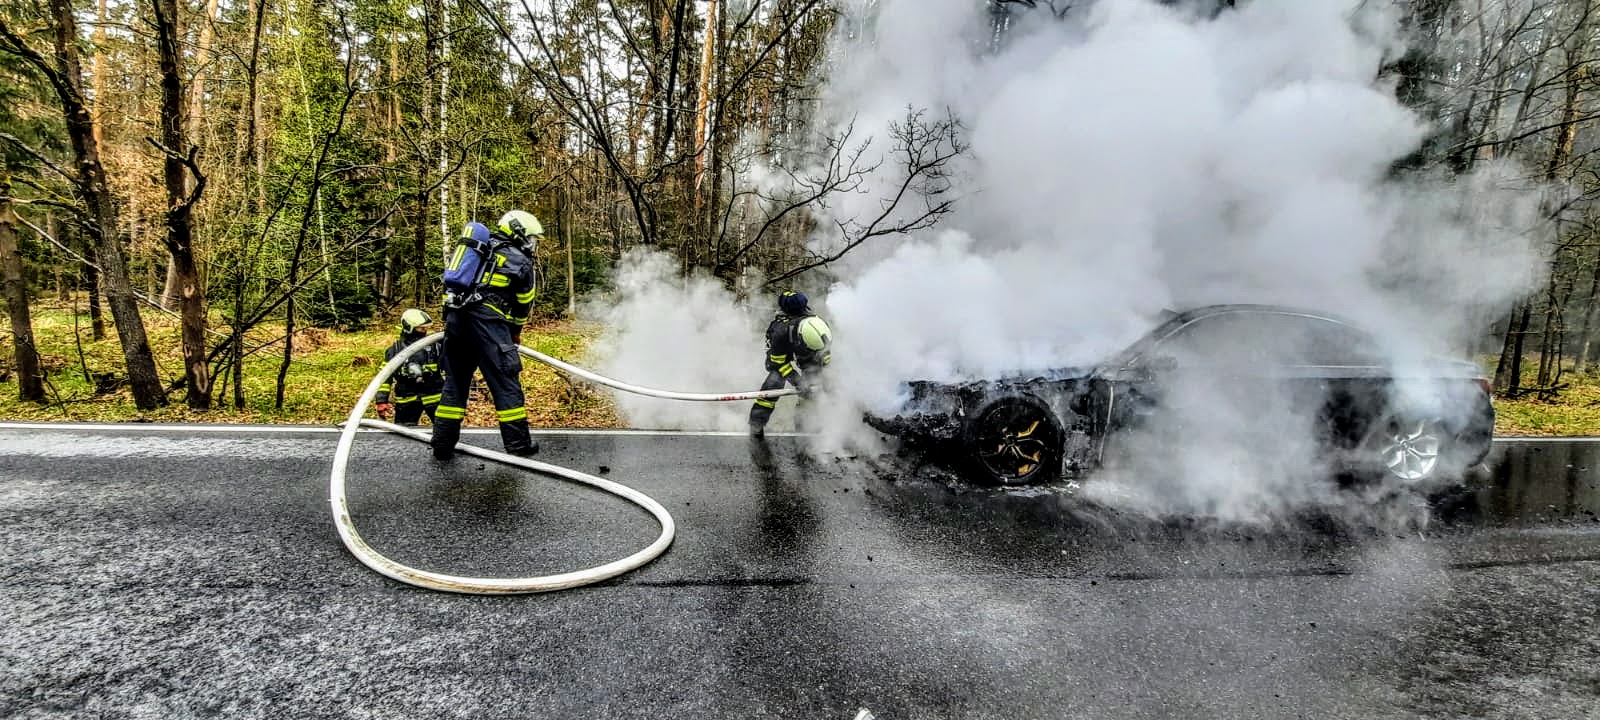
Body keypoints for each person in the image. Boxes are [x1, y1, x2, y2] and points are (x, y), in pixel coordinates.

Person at [430, 212, 542, 460]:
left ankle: (442, 445)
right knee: (505, 383)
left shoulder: (479, 249)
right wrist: (516, 330)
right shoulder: (520, 260)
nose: (532, 243)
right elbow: (524, 303)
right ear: (518, 232)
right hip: (489, 325)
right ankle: (519, 446)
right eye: (531, 237)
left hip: (456, 321)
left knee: (455, 384)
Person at [749, 290, 832, 438]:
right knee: (773, 382)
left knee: (812, 387)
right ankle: (757, 423)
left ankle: (805, 427)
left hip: (807, 353)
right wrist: (797, 381)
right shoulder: (779, 332)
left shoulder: (819, 324)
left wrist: (823, 376)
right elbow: (777, 364)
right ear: (799, 335)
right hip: (781, 355)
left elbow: (825, 355)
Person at [374, 308, 445, 426]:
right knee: (404, 435)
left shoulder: (436, 346)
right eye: (421, 328)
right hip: (406, 400)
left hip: (435, 397)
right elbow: (384, 378)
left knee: (445, 431)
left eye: (426, 328)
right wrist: (381, 401)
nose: (425, 331)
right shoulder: (394, 350)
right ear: (409, 327)